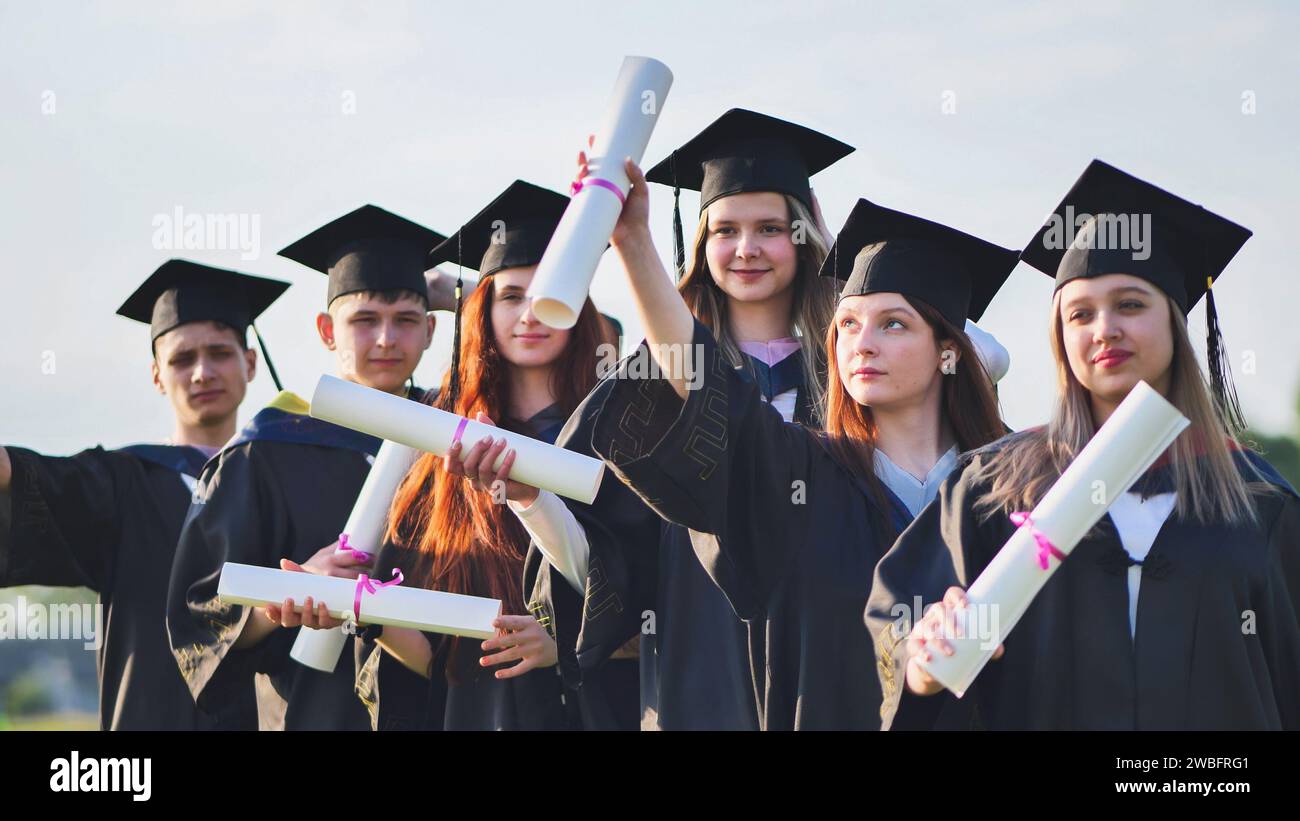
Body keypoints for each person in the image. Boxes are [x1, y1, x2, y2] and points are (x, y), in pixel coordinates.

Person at [558, 149, 1017, 729]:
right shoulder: (804, 470)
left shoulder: (1008, 489)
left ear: (951, 351)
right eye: (848, 324)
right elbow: (703, 381)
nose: (862, 343)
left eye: (893, 323)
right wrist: (634, 246)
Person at [867, 159, 1300, 730]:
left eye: (1130, 305)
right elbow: (899, 628)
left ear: (1174, 322)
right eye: (1080, 313)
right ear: (1061, 335)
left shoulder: (1260, 503)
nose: (1104, 330)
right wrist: (924, 661)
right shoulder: (994, 489)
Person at [294, 180, 616, 729]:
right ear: (481, 310)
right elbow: (439, 663)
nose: (529, 314)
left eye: (548, 294)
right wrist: (360, 609)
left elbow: (650, 600)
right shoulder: (439, 449)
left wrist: (567, 640)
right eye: (510, 296)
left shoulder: (619, 433)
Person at [166, 205, 444, 730]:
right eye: (364, 320)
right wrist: (285, 593)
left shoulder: (454, 444)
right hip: (316, 713)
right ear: (326, 330)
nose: (386, 339)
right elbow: (198, 615)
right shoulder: (268, 450)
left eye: (405, 320)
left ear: (430, 330)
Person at [0, 259, 285, 729]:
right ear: (157, 375)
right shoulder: (121, 484)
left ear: (249, 363)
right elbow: (29, 479)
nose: (201, 372)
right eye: (181, 359)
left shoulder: (285, 479)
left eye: (219, 353)